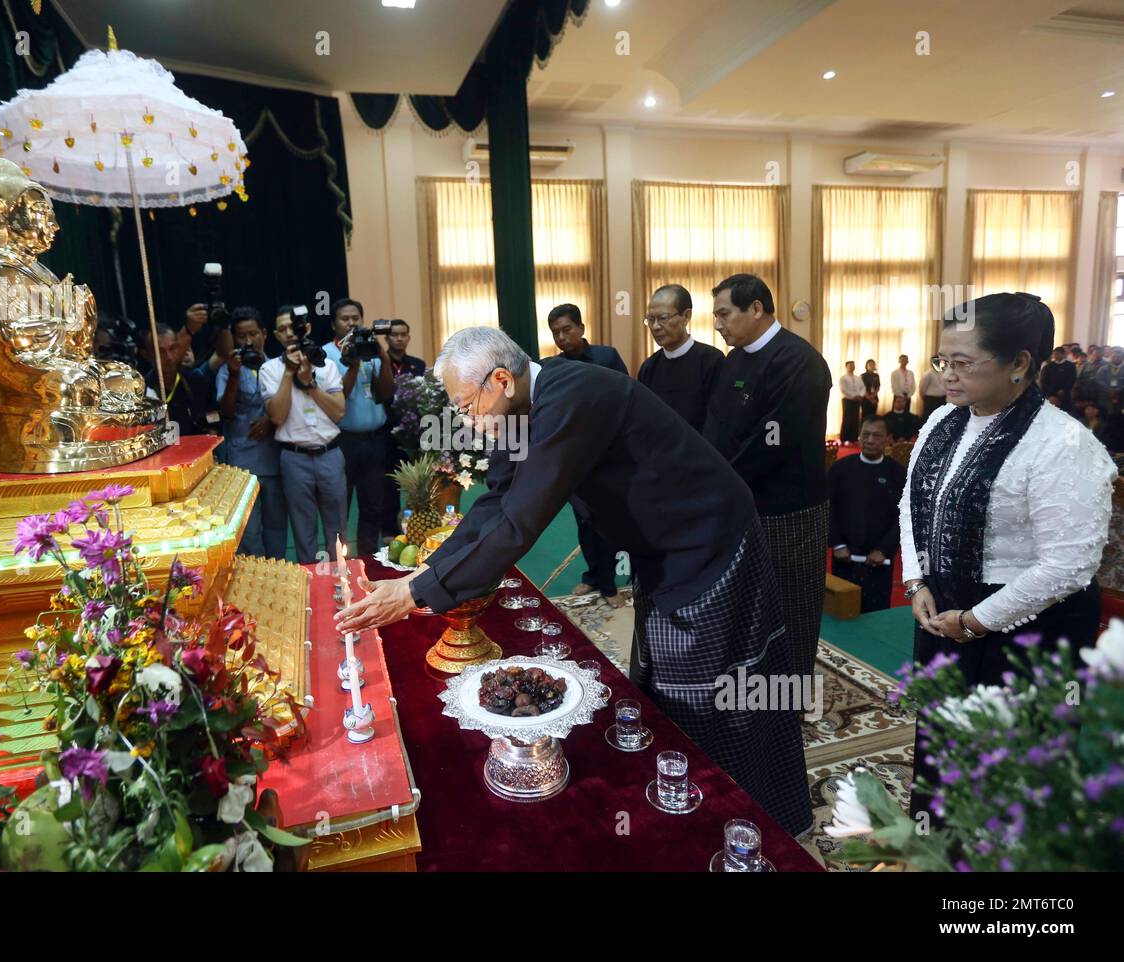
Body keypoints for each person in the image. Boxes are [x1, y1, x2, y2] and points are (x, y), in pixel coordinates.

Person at [335, 326, 812, 836]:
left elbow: (519, 521)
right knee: (662, 678)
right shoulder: (525, 407)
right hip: (663, 548)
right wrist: (425, 575)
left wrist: (415, 594)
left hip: (708, 541)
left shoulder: (572, 399)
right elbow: (497, 500)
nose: (467, 422)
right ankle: (687, 792)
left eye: (467, 407)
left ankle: (745, 817)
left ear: (502, 380)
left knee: (711, 689)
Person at [900, 292, 1116, 819]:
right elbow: (911, 504)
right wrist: (917, 581)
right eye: (942, 361)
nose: (947, 376)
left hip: (1026, 627)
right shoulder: (943, 421)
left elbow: (1068, 566)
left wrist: (976, 621)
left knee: (1011, 766)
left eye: (963, 362)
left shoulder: (1062, 443)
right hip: (947, 611)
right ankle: (938, 844)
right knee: (943, 745)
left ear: (1019, 363)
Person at [704, 273, 832, 677]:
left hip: (787, 513)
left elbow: (771, 443)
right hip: (738, 503)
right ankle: (748, 687)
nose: (718, 324)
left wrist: (718, 484)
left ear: (756, 308)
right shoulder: (734, 359)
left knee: (790, 611)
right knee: (744, 608)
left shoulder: (799, 362)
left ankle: (788, 700)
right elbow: (717, 428)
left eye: (724, 314)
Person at [548, 303, 627, 608]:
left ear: (581, 328)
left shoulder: (607, 357)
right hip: (575, 458)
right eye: (556, 332)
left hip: (607, 455)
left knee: (607, 521)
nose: (562, 337)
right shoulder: (553, 367)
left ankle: (609, 584)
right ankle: (593, 575)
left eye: (567, 329)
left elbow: (625, 397)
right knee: (583, 522)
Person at [260, 306, 347, 564]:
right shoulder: (269, 369)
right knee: (303, 531)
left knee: (338, 528)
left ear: (306, 328)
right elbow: (276, 417)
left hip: (330, 453)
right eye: (282, 329)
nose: (289, 333)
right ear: (276, 335)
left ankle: (343, 579)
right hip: (294, 457)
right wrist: (289, 373)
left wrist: (309, 383)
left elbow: (338, 412)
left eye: (293, 327)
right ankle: (311, 584)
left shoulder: (327, 365)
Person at [323, 298, 395, 558]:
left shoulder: (370, 349)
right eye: (345, 319)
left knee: (373, 504)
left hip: (375, 440)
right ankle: (340, 562)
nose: (351, 323)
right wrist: (352, 366)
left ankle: (368, 559)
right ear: (334, 324)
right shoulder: (327, 354)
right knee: (340, 504)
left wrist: (383, 356)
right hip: (343, 441)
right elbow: (337, 399)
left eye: (356, 318)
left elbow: (386, 393)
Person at [217, 307, 287, 558]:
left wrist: (271, 420)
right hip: (242, 462)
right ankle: (256, 576)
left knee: (277, 526)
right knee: (249, 530)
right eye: (241, 336)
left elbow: (290, 406)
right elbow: (225, 412)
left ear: (264, 334)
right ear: (234, 339)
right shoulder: (227, 370)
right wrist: (234, 376)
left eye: (253, 334)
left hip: (274, 458)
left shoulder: (279, 367)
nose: (248, 341)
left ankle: (278, 572)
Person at [827, 416, 906, 613]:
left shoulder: (898, 474)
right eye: (866, 435)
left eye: (877, 436)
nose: (870, 440)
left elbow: (904, 516)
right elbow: (827, 508)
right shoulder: (840, 469)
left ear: (888, 439)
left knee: (875, 616)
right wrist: (837, 544)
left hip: (880, 562)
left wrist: (884, 550)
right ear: (859, 436)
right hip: (844, 558)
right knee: (841, 614)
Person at [635, 284, 724, 431]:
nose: (655, 326)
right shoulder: (649, 367)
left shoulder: (711, 360)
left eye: (663, 318)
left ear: (686, 316)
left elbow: (718, 419)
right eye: (650, 319)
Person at [382, 319, 427, 539]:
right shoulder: (379, 364)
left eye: (403, 334)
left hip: (413, 437)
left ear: (409, 337)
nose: (399, 338)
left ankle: (416, 530)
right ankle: (390, 533)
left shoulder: (418, 365)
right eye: (394, 334)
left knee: (416, 486)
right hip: (386, 435)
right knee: (388, 487)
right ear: (386, 338)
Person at [142, 323, 215, 438]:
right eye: (161, 352)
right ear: (146, 355)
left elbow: (214, 415)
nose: (169, 357)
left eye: (172, 348)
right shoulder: (143, 392)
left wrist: (211, 432)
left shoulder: (197, 381)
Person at [839, 361, 864, 443]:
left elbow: (863, 388)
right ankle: (844, 438)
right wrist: (853, 396)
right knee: (847, 418)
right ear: (846, 367)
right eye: (850, 366)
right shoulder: (843, 378)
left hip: (857, 400)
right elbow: (843, 389)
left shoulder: (858, 378)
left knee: (855, 419)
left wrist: (860, 395)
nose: (852, 367)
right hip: (847, 400)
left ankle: (853, 438)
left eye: (853, 365)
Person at [1094, 346, 1124, 416]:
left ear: (1122, 358)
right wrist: (1109, 390)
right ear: (1111, 357)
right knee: (1103, 415)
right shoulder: (1103, 369)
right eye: (1114, 356)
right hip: (1104, 396)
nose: (1116, 358)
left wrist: (1117, 390)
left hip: (1120, 397)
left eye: (1119, 357)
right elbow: (1098, 380)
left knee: (1117, 416)